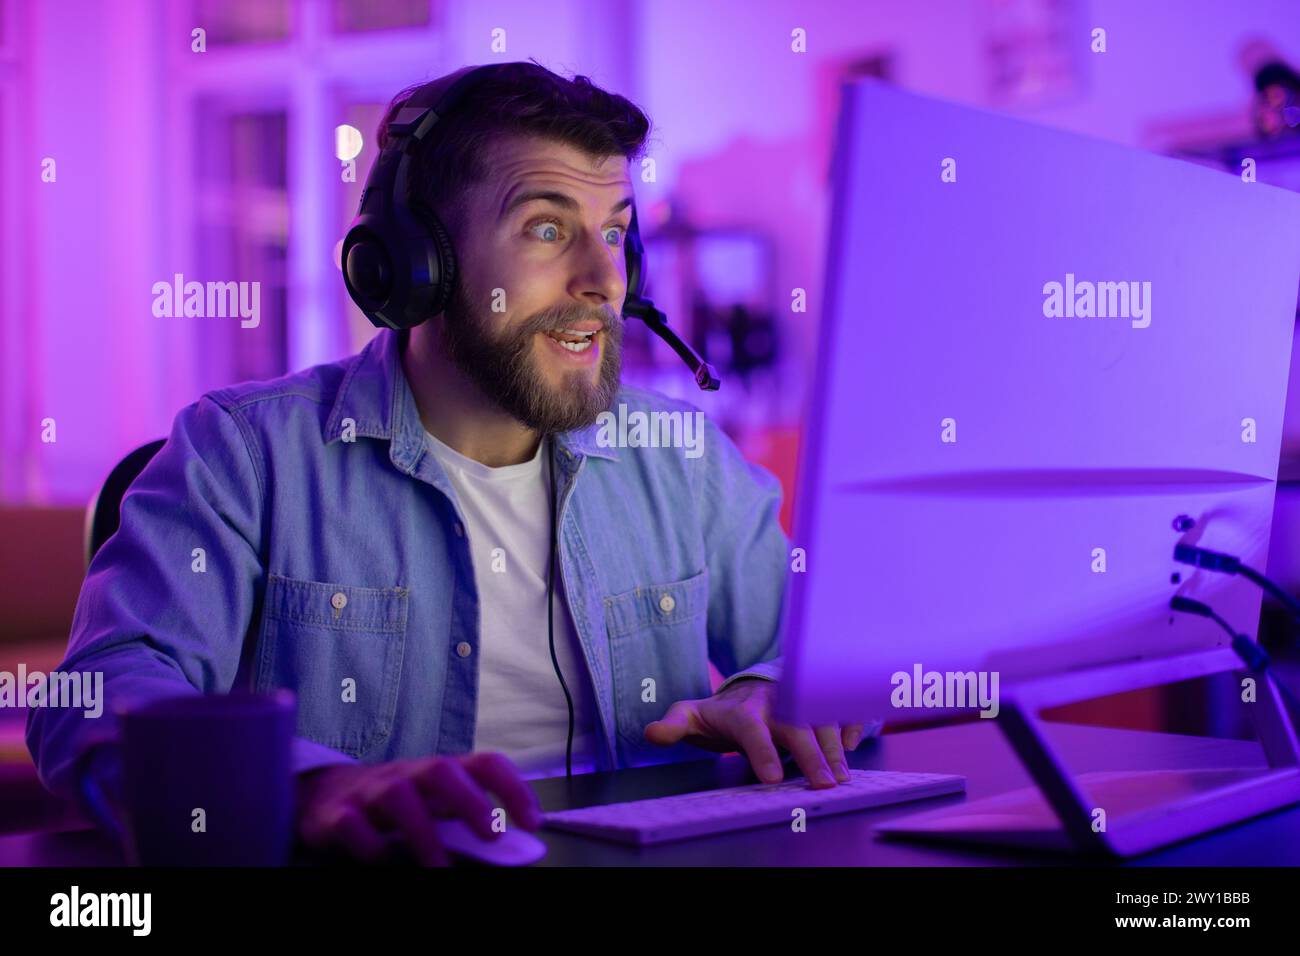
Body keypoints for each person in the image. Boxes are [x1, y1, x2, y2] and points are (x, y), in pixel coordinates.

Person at [27, 61, 868, 866]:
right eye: (547, 228)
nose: (604, 279)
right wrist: (312, 782)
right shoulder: (243, 455)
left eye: (615, 232)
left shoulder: (681, 457)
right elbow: (98, 694)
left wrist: (770, 689)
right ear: (415, 264)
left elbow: (818, 649)